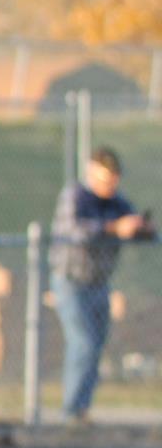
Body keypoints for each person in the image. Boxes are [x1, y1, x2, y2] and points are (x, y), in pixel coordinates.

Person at [50, 146, 154, 425]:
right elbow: (76, 232)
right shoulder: (77, 196)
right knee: (82, 343)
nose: (110, 186)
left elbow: (132, 225)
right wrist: (113, 228)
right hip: (71, 282)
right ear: (92, 174)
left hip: (99, 284)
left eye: (114, 180)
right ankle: (71, 411)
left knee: (95, 345)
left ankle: (81, 409)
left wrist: (141, 228)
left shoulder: (117, 202)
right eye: (105, 179)